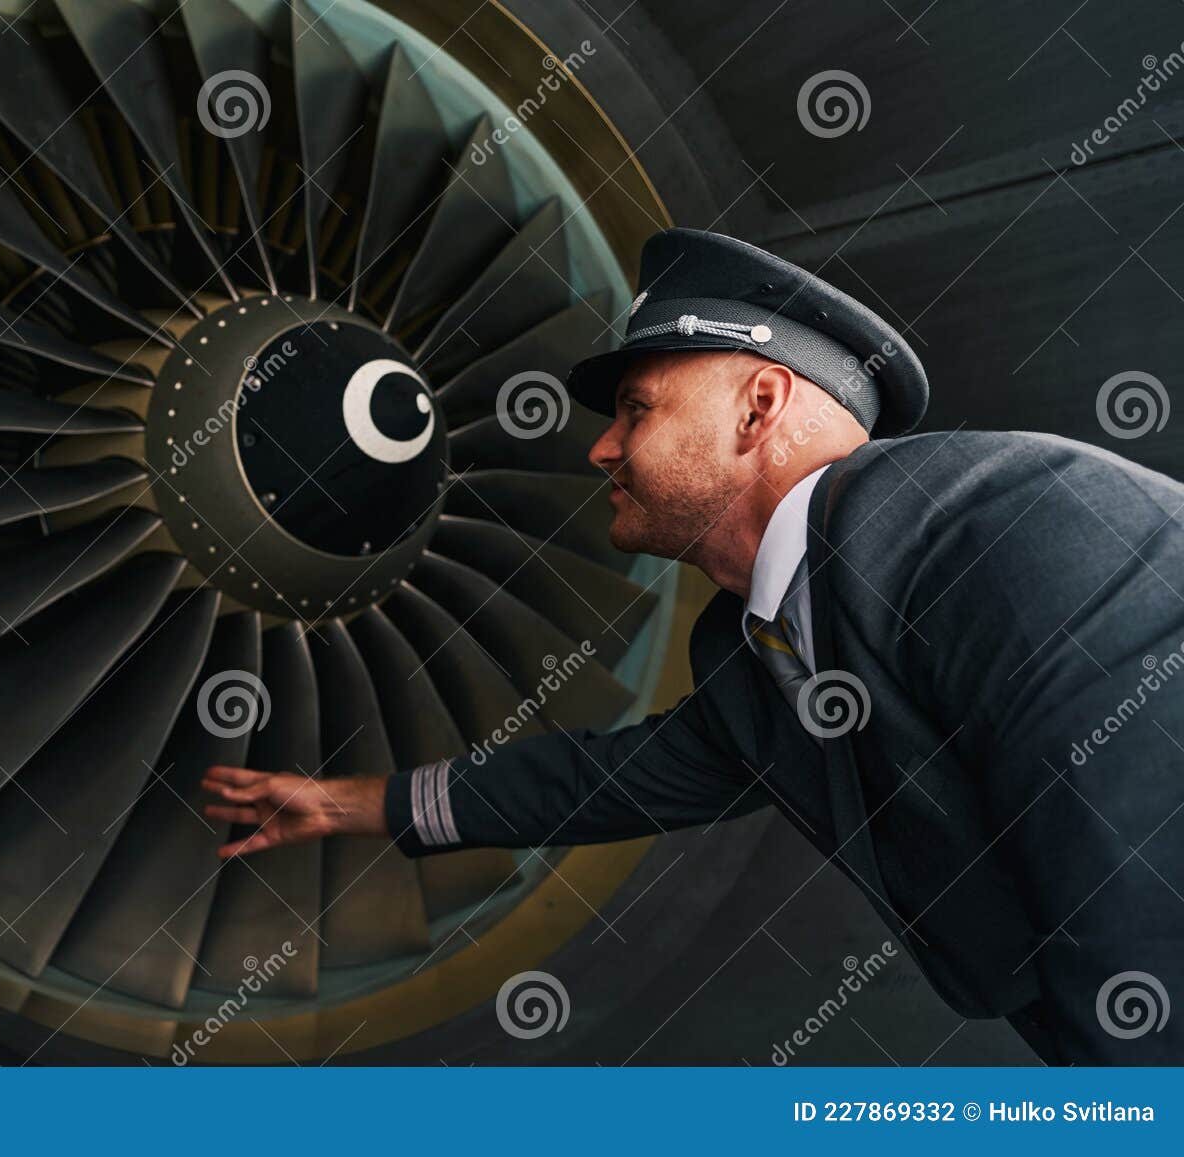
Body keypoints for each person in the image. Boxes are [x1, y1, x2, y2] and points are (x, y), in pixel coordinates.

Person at [201, 227, 1184, 1065]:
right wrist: (342, 801)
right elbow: (596, 783)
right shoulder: (765, 649)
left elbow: (1140, 826)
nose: (599, 447)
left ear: (759, 407)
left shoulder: (1001, 516)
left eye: (636, 408)